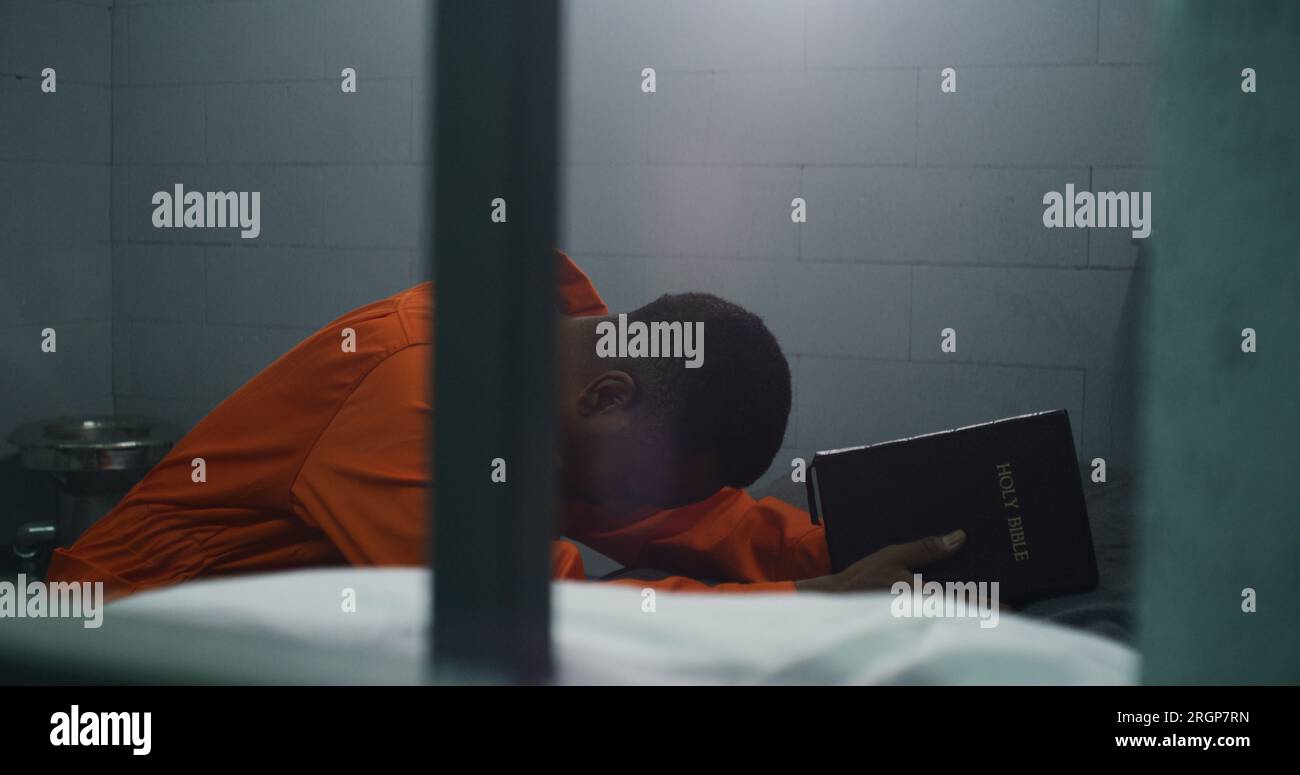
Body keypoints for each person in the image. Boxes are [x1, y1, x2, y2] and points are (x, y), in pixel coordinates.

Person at [47, 251, 964, 598]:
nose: (636, 508)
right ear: (608, 397)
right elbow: (545, 625)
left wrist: (857, 549)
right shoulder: (419, 391)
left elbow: (706, 520)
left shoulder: (578, 381)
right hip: (122, 650)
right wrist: (804, 613)